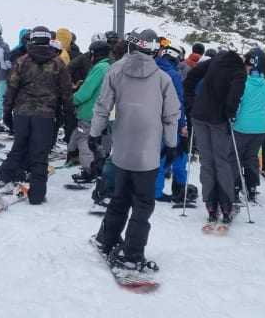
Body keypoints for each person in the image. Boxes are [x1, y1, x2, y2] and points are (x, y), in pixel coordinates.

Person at [90, 29, 181, 270]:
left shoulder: (115, 71)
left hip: (122, 150)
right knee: (143, 203)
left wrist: (94, 134)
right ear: (154, 50)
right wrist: (171, 145)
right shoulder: (162, 78)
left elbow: (102, 106)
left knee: (119, 197)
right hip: (147, 153)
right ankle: (132, 254)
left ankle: (105, 239)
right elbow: (171, 115)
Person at [0, 26, 75, 200]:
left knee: (18, 148)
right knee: (40, 155)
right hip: (45, 116)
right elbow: (66, 92)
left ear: (32, 41)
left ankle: (3, 179)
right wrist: (69, 114)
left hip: (22, 113)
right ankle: (37, 194)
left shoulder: (22, 61)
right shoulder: (58, 63)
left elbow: (11, 88)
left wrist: (7, 112)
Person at [183, 49, 247, 227]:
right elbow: (235, 95)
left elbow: (192, 76)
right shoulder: (239, 71)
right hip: (218, 119)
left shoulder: (215, 61)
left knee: (207, 161)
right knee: (221, 160)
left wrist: (190, 99)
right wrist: (229, 112)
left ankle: (210, 204)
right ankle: (226, 204)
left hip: (199, 115)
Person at [232, 49, 265, 209]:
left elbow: (237, 104)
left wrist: (233, 119)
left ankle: (236, 187)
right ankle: (252, 188)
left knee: (236, 157)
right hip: (261, 127)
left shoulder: (243, 82)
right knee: (252, 157)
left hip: (242, 126)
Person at [70, 37, 113, 183]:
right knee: (98, 140)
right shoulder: (109, 67)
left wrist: (73, 99)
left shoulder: (99, 68)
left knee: (84, 140)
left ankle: (89, 171)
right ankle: (100, 165)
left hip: (89, 111)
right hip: (105, 111)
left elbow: (86, 91)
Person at [153, 43, 189, 202]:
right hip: (169, 121)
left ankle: (155, 189)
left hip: (153, 119)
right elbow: (178, 101)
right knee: (175, 154)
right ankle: (177, 188)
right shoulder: (173, 75)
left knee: (158, 156)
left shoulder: (153, 69)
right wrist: (182, 125)